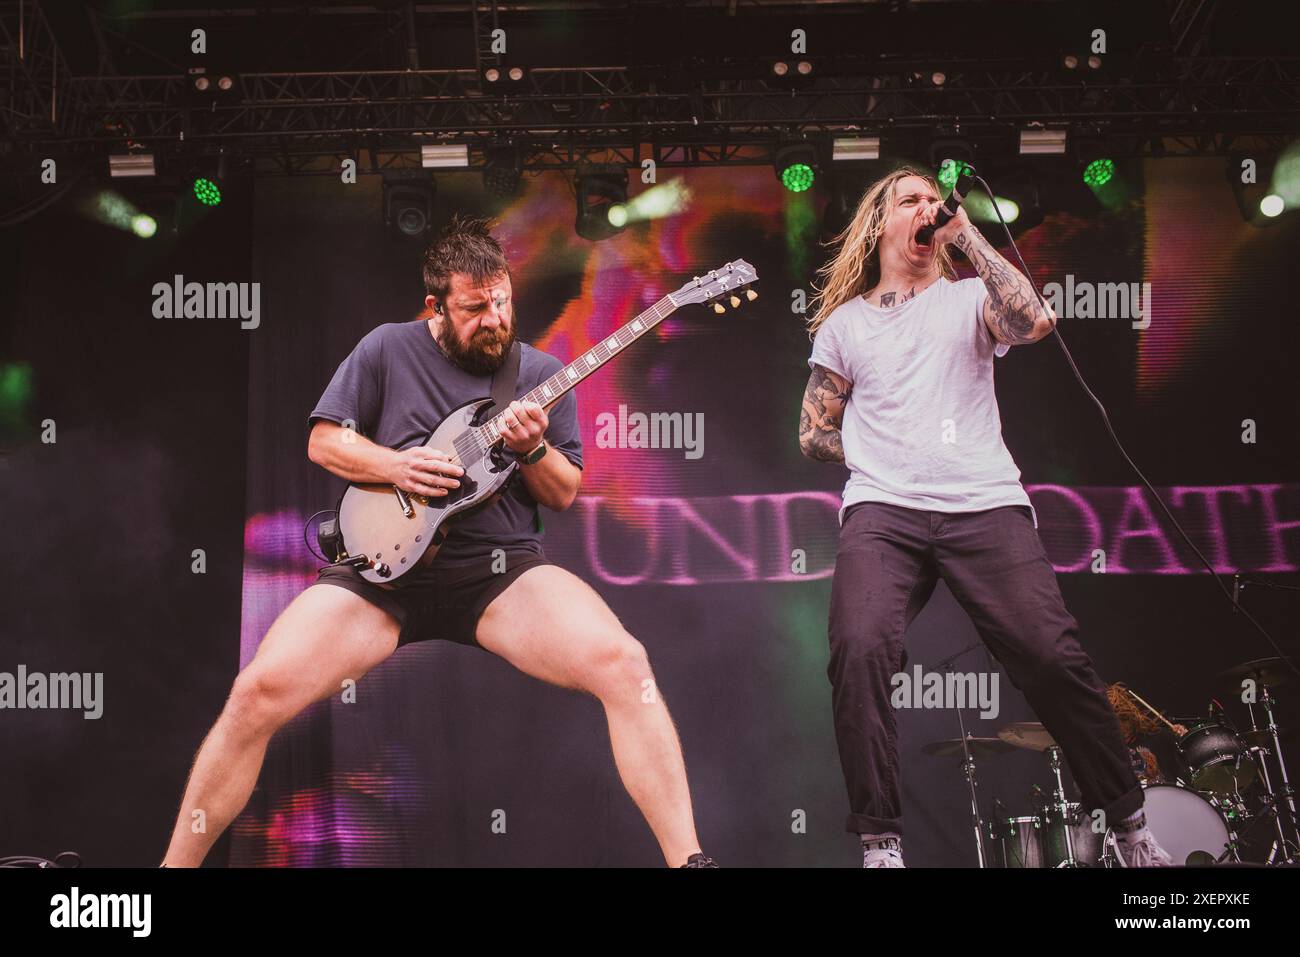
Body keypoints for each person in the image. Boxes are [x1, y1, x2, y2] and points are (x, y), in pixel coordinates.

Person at [162, 215, 715, 868]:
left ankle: (691, 862)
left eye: (502, 301)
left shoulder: (539, 372)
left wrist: (531, 445)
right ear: (436, 306)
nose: (496, 318)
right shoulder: (385, 350)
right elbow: (323, 439)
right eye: (476, 308)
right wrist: (394, 465)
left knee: (626, 665)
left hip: (497, 571)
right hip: (380, 574)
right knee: (255, 693)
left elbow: (562, 491)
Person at [798, 166, 1172, 868]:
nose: (926, 208)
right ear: (881, 222)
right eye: (910, 200)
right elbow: (812, 435)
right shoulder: (846, 324)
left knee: (1051, 656)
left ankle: (1130, 825)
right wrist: (884, 439)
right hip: (883, 509)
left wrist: (967, 232)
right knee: (859, 648)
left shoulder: (968, 298)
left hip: (983, 502)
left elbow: (1034, 320)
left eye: (933, 201)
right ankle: (881, 845)